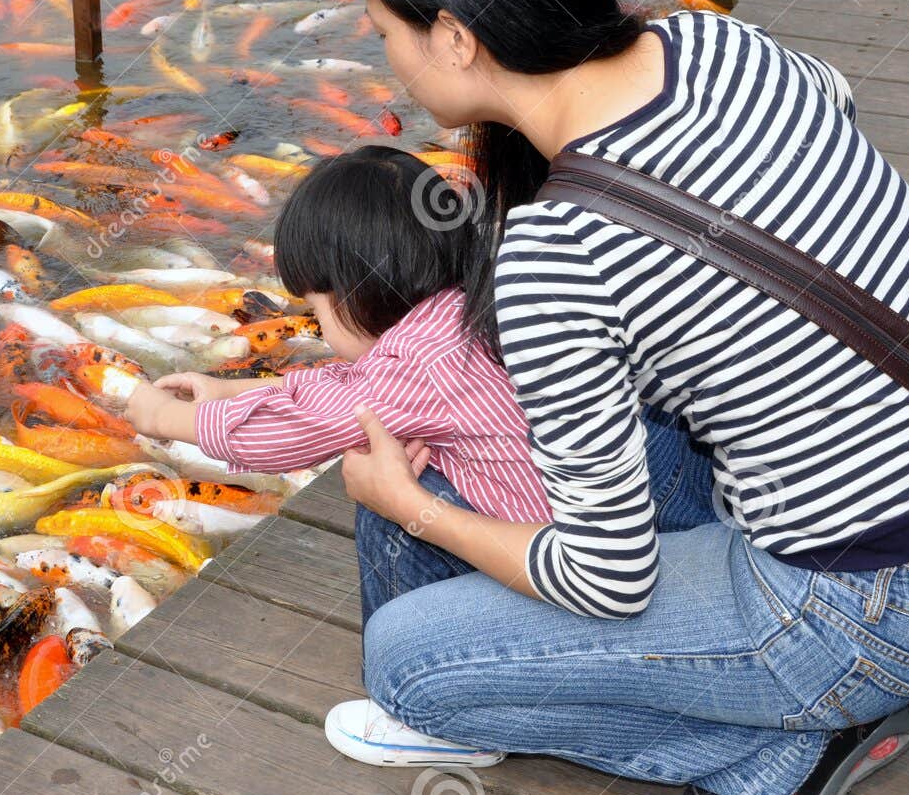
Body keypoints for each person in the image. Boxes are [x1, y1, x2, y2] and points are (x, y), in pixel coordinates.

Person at [330, 0, 909, 795]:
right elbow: (832, 119)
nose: (383, 55)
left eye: (385, 32)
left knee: (408, 663)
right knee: (576, 438)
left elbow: (604, 579)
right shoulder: (710, 45)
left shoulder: (556, 250)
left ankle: (785, 736)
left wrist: (410, 512)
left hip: (855, 620)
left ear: (455, 36)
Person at [125, 145, 716, 633]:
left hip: (559, 552)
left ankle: (407, 658)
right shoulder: (460, 305)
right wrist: (228, 393)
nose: (319, 327)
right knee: (401, 473)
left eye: (317, 308)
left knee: (386, 503)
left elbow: (293, 434)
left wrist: (163, 418)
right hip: (628, 503)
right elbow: (348, 383)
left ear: (355, 292)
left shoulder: (417, 365)